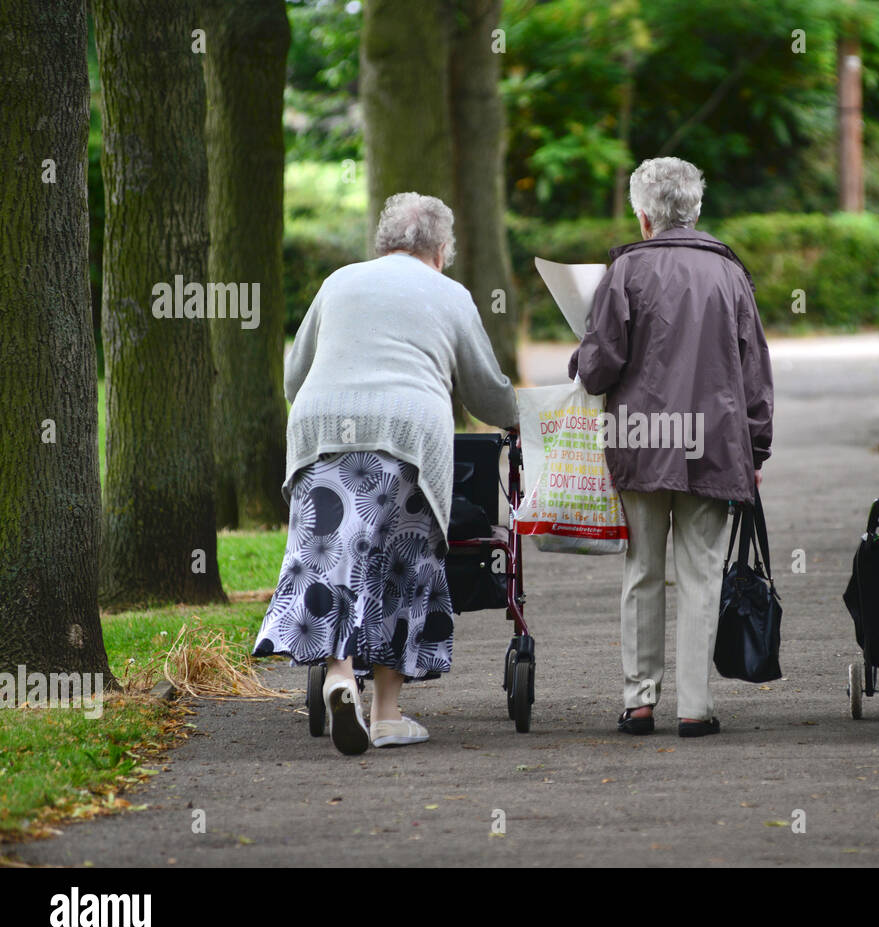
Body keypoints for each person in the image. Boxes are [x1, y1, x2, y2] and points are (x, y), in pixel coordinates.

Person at [253, 192, 518, 756]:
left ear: (383, 240)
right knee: (402, 564)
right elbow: (484, 390)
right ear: (441, 249)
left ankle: (341, 675)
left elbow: (295, 374)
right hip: (407, 440)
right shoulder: (451, 295)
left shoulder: (338, 281)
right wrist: (528, 419)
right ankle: (389, 714)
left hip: (322, 430)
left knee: (329, 555)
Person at [569, 156, 774, 738]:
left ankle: (638, 701)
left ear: (643, 217)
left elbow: (601, 366)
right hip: (713, 442)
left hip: (641, 442)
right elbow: (754, 370)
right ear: (697, 210)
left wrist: (580, 359)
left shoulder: (624, 272)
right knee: (703, 573)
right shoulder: (730, 273)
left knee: (642, 571)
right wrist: (755, 448)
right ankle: (694, 706)